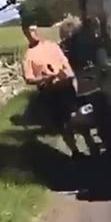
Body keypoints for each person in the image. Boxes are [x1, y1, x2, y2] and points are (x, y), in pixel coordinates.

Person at [21, 24, 92, 157]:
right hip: (51, 91)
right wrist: (44, 78)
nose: (32, 34)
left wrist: (73, 79)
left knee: (79, 116)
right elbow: (28, 78)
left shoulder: (52, 46)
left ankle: (91, 144)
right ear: (25, 35)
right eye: (28, 32)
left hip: (66, 85)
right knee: (63, 123)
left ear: (38, 30)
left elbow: (65, 62)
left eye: (34, 30)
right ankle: (75, 152)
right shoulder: (29, 56)